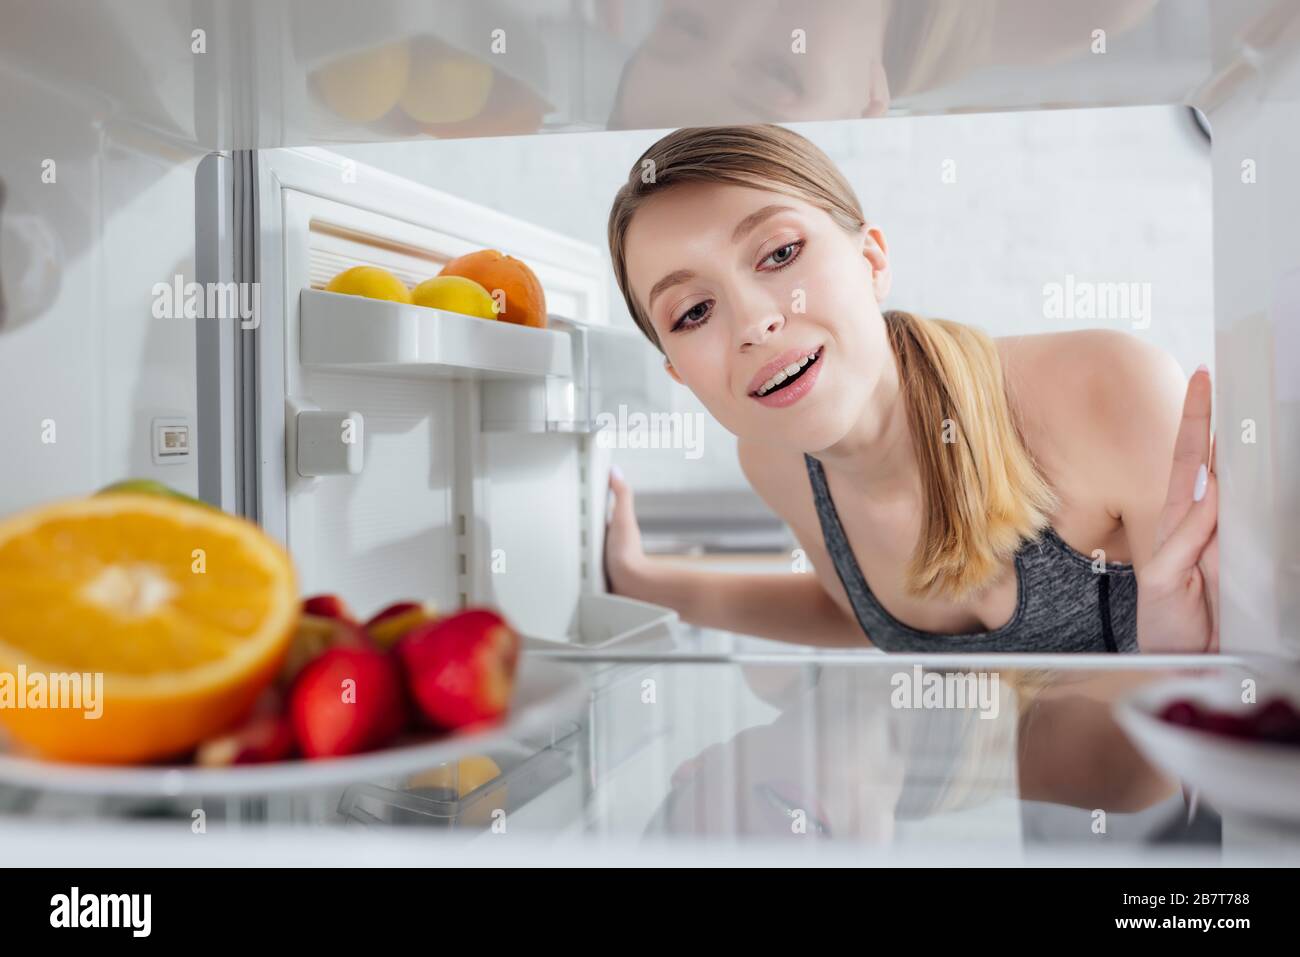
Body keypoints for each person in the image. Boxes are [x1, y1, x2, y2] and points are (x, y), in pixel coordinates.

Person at [603, 123, 1218, 653]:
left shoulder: (1109, 388)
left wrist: (1185, 665)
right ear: (679, 372)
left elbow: (1246, 698)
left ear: (871, 262)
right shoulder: (773, 461)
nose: (753, 324)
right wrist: (639, 581)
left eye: (780, 252)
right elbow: (854, 612)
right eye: (693, 313)